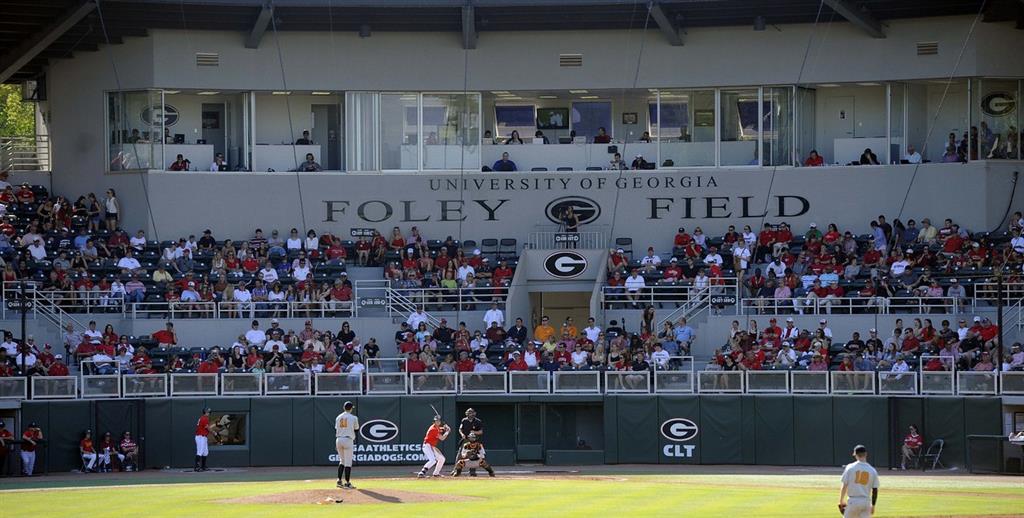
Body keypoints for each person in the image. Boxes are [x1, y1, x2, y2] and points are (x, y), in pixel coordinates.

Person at [839, 444, 879, 518]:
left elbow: (844, 485)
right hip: (866, 502)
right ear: (866, 454)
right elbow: (875, 490)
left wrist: (841, 500)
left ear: (856, 455)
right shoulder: (873, 470)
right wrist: (873, 505)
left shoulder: (850, 467)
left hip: (853, 501)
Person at [334, 401, 358, 489]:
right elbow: (356, 429)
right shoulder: (353, 417)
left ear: (344, 408)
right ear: (351, 408)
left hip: (339, 439)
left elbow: (336, 428)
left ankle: (339, 481)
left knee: (342, 461)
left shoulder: (338, 417)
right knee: (348, 462)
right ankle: (347, 482)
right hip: (348, 439)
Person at [194, 407, 213, 472]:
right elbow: (207, 428)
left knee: (205, 452)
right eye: (208, 412)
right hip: (200, 437)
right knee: (200, 452)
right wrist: (214, 432)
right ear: (205, 412)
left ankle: (203, 467)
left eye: (209, 412)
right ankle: (197, 467)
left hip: (204, 437)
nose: (209, 413)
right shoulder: (204, 418)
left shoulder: (204, 418)